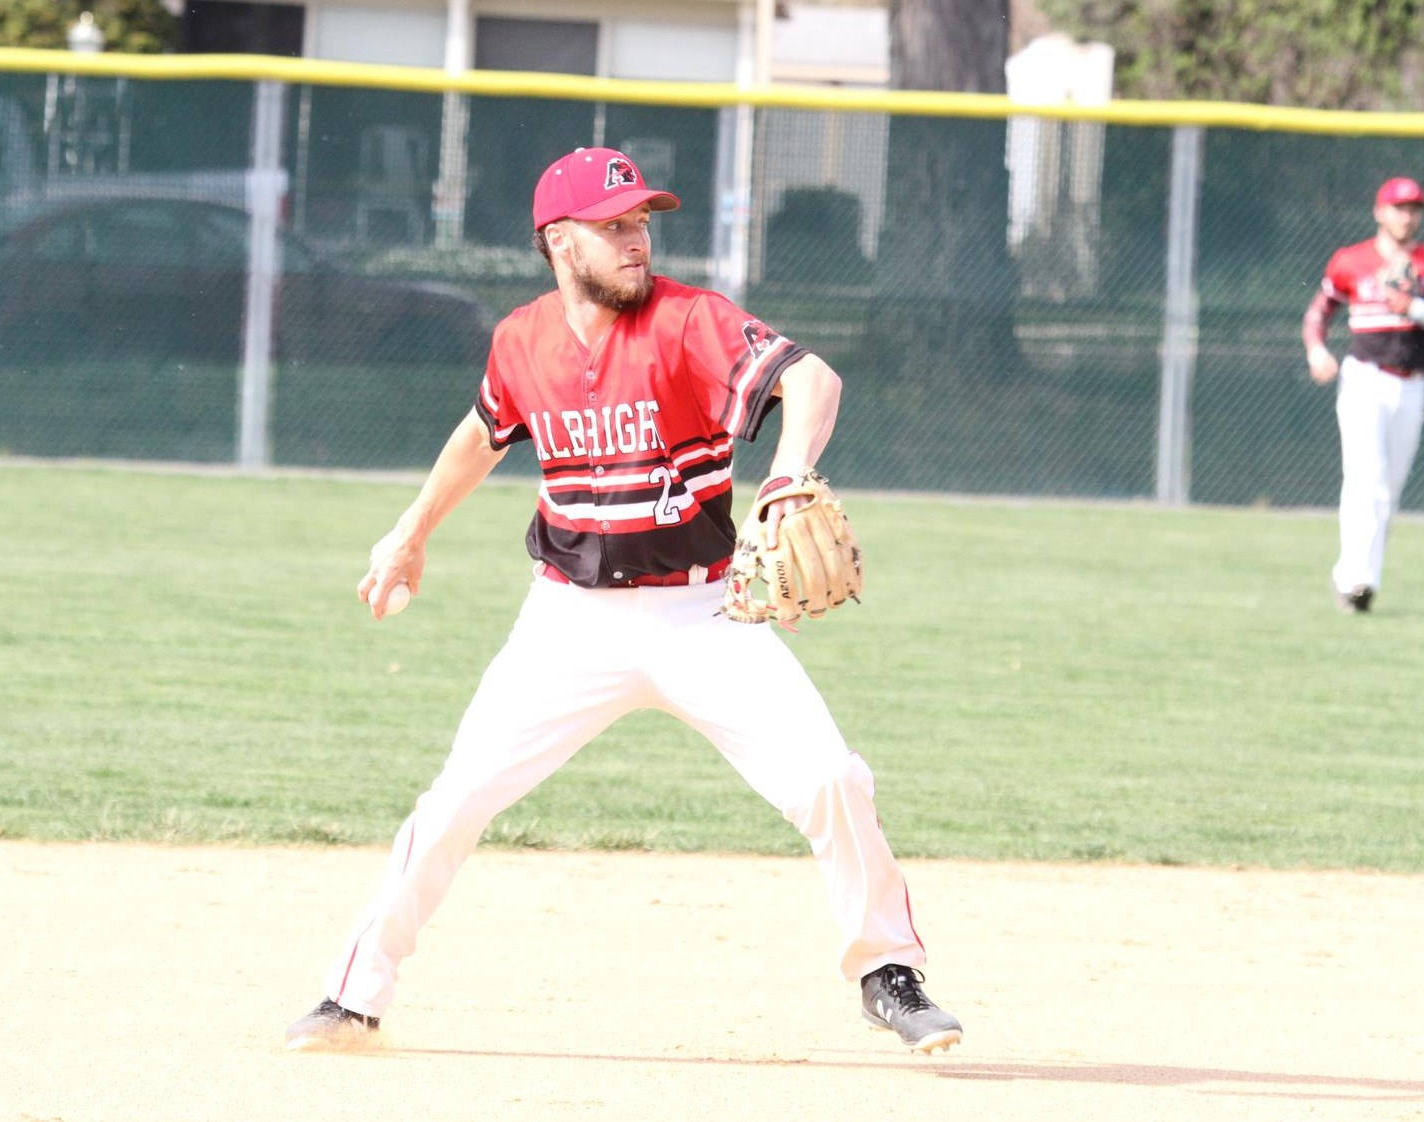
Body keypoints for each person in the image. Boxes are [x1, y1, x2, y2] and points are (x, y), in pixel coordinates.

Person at [283, 147, 961, 1055]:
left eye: (642, 221)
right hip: (567, 624)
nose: (637, 238)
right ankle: (352, 996)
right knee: (454, 801)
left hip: (702, 616)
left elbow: (813, 379)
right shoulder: (522, 339)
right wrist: (412, 531)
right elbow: (483, 433)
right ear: (561, 243)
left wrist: (789, 469)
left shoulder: (690, 322)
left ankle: (888, 973)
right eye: (615, 226)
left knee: (832, 778)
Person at [1303, 176, 1424, 613]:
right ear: (1379, 211)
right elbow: (1319, 310)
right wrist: (1316, 351)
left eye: (1414, 209)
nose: (1407, 216)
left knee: (1388, 488)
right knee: (1366, 477)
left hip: (1413, 383)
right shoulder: (1351, 260)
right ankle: (1357, 579)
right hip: (1365, 377)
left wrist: (1419, 309)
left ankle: (1356, 580)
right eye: (1398, 207)